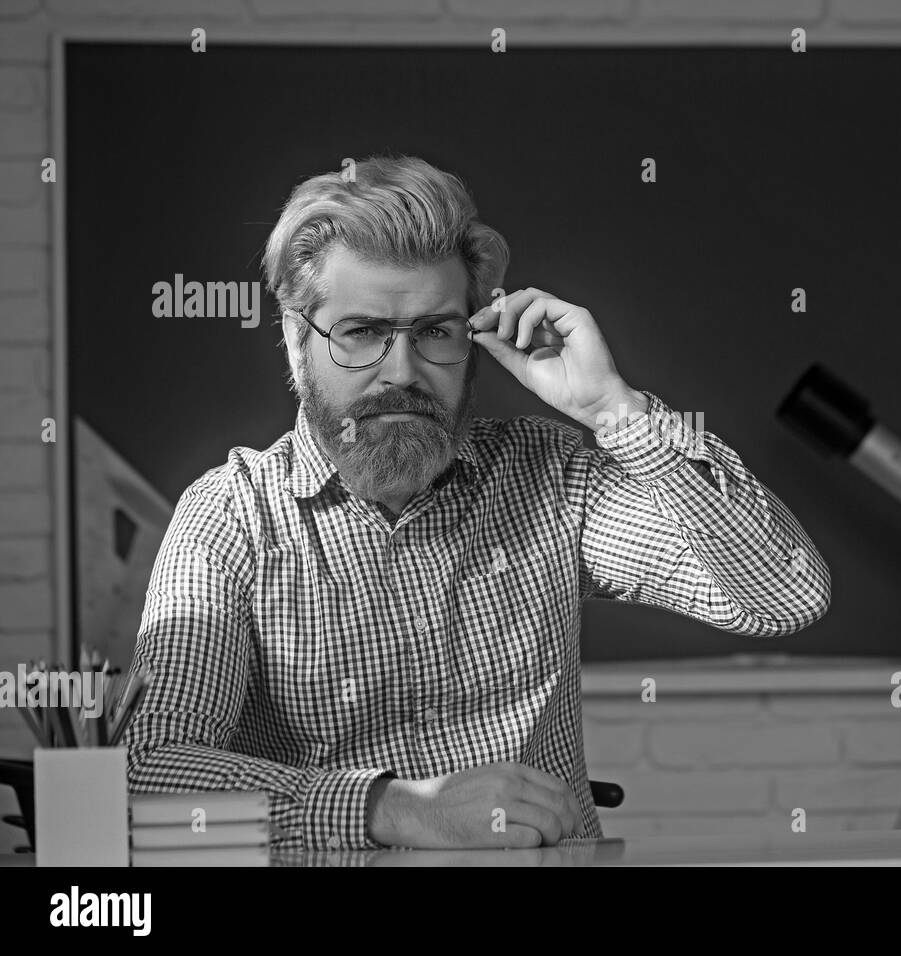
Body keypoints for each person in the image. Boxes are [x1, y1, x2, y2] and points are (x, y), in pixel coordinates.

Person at [124, 155, 831, 851]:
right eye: (362, 333)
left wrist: (614, 409)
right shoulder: (230, 515)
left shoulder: (547, 475)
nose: (401, 372)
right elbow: (149, 770)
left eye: (435, 332)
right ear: (295, 336)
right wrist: (395, 808)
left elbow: (784, 595)